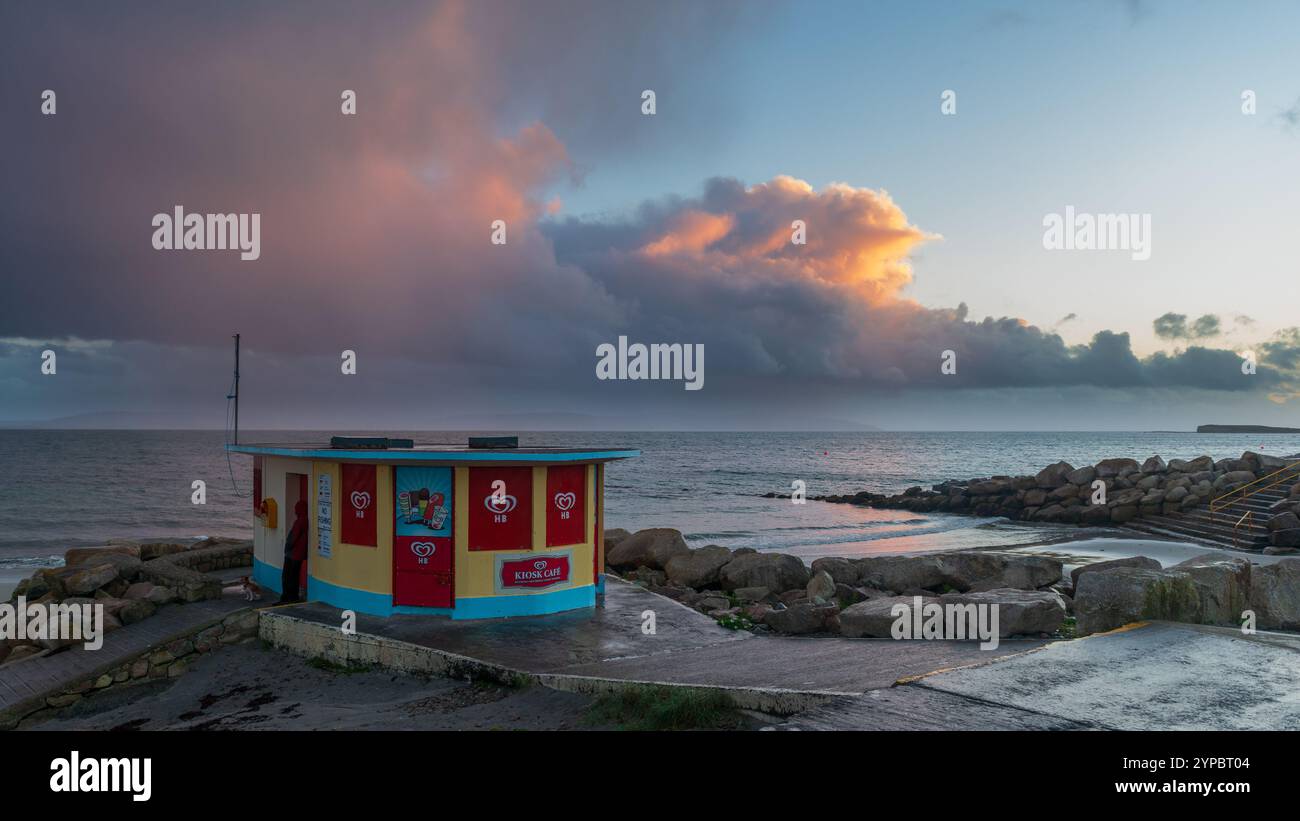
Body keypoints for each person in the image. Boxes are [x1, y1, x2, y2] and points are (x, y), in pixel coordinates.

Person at [279, 500, 309, 603]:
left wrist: (287, 547)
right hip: (299, 554)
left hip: (292, 553)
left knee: (287, 577)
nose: (295, 511)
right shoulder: (306, 520)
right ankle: (293, 597)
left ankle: (286, 598)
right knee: (294, 577)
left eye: (296, 508)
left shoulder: (299, 521)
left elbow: (293, 537)